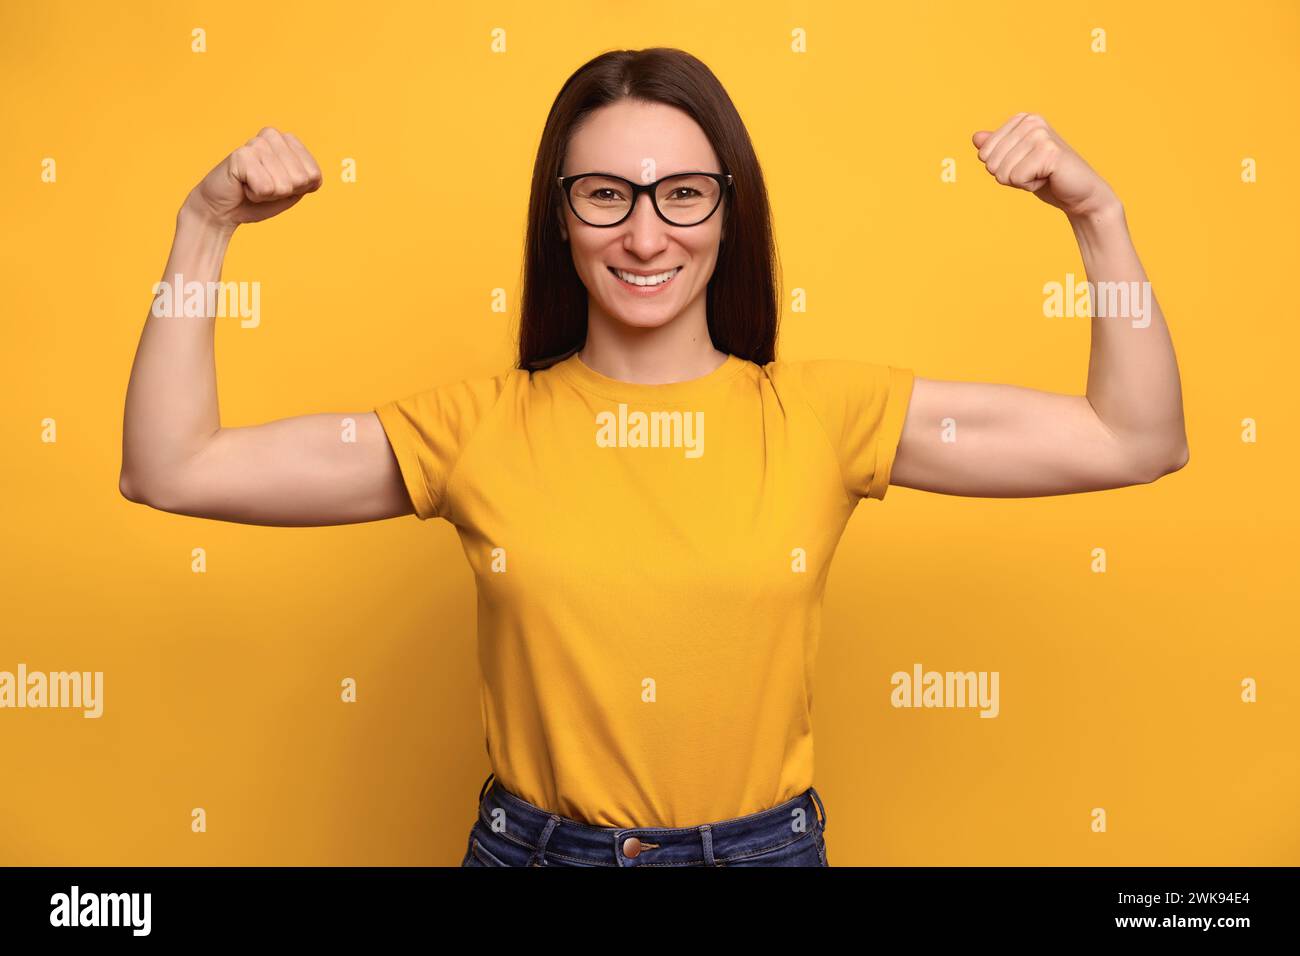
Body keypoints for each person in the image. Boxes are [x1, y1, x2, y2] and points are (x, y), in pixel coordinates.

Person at [119, 48, 1188, 867]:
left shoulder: (823, 415)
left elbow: (1133, 437)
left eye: (681, 192)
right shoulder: (474, 428)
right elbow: (173, 467)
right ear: (562, 214)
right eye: (605, 195)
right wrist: (203, 223)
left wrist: (1097, 213)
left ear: (727, 206)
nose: (644, 235)